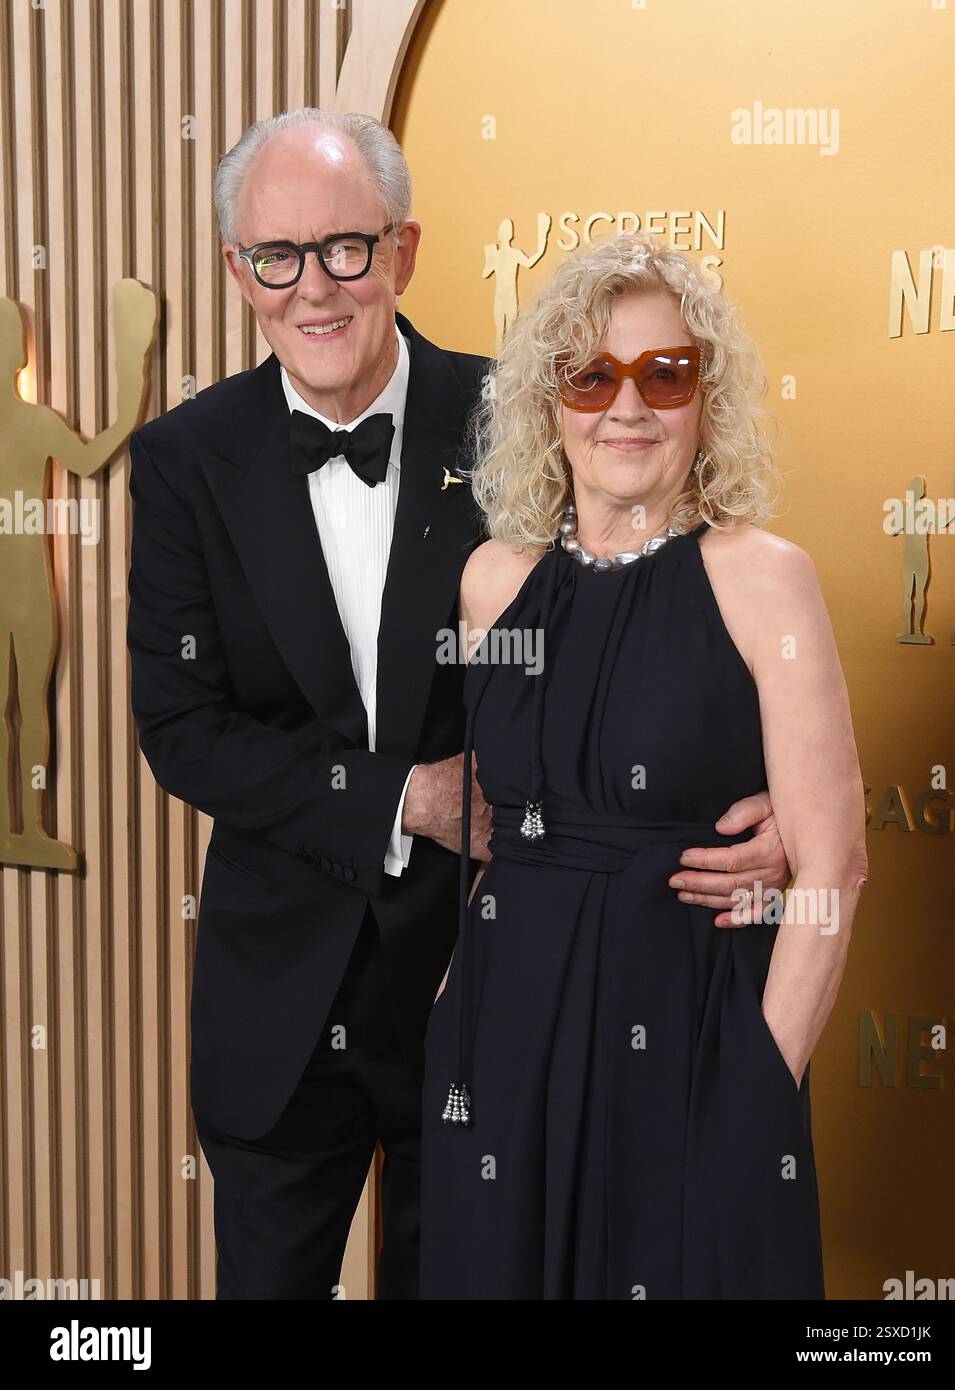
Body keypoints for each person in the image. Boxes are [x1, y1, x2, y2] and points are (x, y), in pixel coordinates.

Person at [127, 107, 791, 1300]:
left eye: (346, 247)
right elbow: (182, 729)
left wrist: (780, 811)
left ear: (404, 249)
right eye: (276, 256)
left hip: (505, 995)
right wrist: (409, 798)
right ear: (238, 270)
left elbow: (664, 619)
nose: (313, 286)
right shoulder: (184, 456)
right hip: (278, 1005)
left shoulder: (529, 415)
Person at [420, 233, 870, 1300]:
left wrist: (758, 1082)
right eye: (591, 376)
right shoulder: (492, 583)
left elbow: (834, 866)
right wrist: (451, 1016)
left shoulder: (763, 578)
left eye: (665, 374)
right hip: (503, 1038)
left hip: (694, 1041)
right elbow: (502, 830)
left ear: (705, 400)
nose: (627, 408)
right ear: (549, 402)